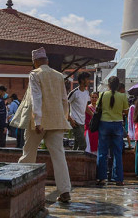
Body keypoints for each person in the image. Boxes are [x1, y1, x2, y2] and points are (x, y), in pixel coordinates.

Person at [11, 48, 72, 204]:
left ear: (35, 62)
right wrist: (63, 119)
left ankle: (19, 187)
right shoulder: (59, 76)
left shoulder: (35, 74)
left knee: (29, 154)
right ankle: (65, 191)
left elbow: (36, 97)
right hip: (57, 120)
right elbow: (65, 100)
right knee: (59, 156)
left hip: (38, 123)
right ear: (47, 61)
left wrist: (38, 121)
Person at [95, 75, 129, 186]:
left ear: (108, 85)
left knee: (102, 152)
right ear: (118, 85)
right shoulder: (123, 96)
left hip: (104, 124)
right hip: (117, 124)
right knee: (117, 153)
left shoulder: (103, 94)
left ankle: (101, 178)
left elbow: (97, 108)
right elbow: (126, 111)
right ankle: (118, 179)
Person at [68, 72, 91, 151]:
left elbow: (86, 108)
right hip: (75, 122)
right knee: (83, 145)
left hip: (82, 122)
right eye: (87, 79)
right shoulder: (74, 93)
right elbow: (65, 105)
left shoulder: (86, 92)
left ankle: (72, 161)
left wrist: (94, 115)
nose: (89, 81)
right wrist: (70, 119)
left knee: (76, 145)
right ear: (82, 80)